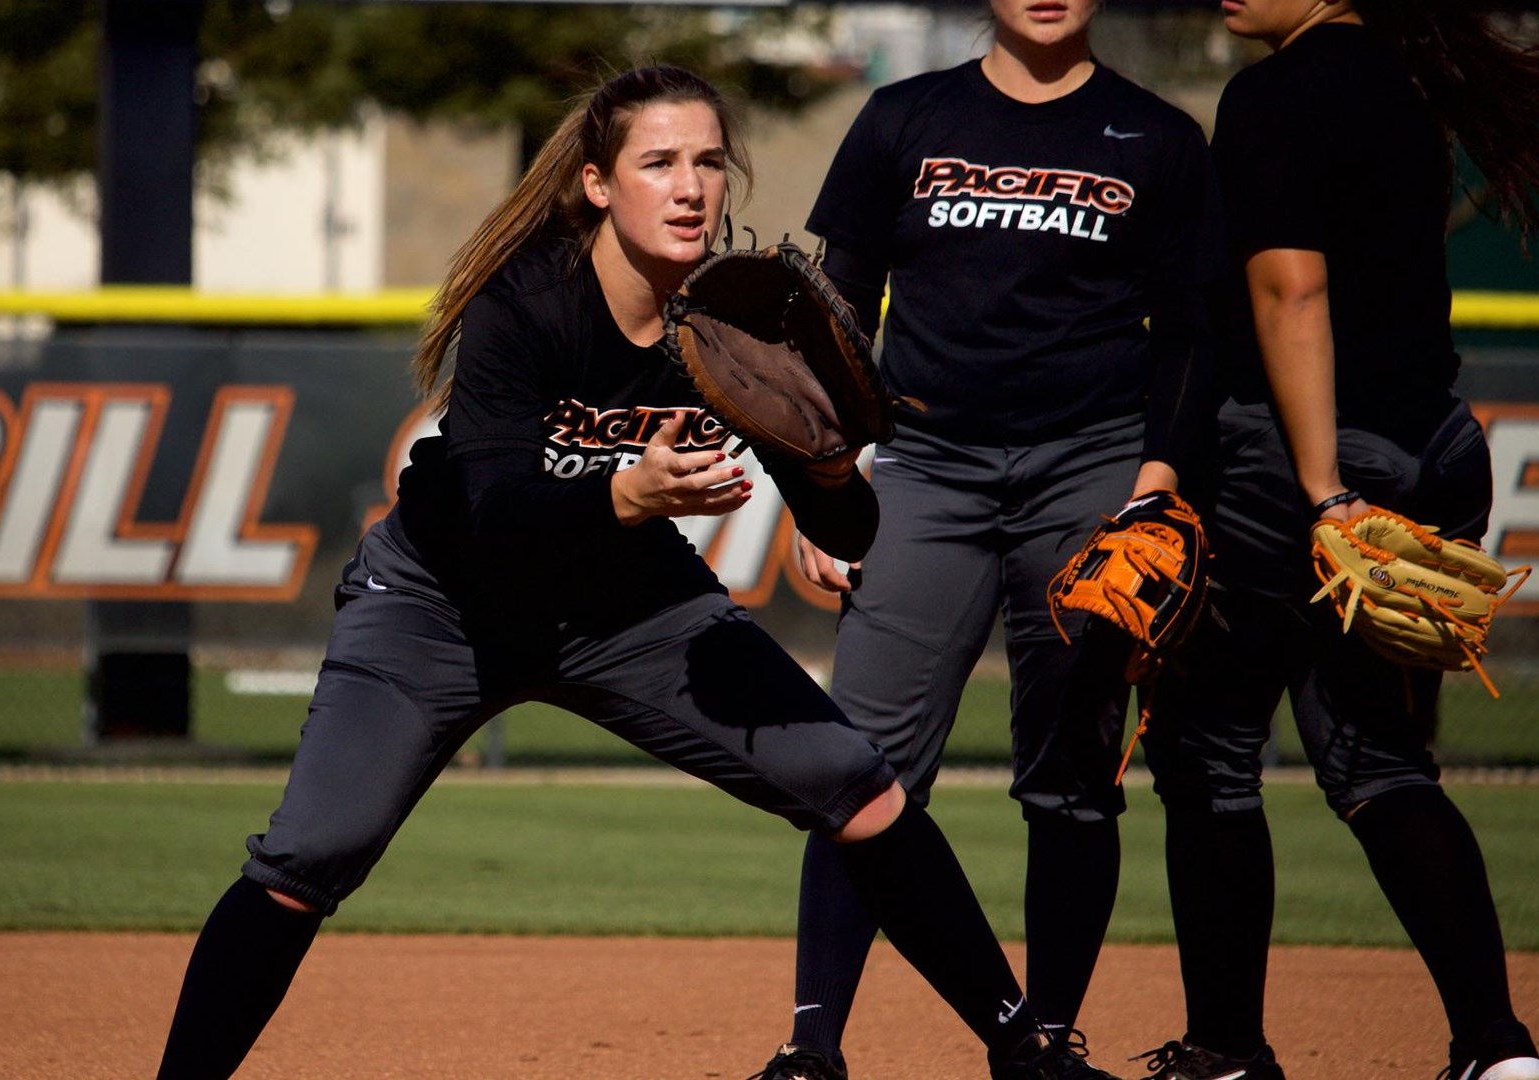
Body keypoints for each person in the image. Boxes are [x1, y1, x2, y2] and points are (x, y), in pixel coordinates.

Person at [152, 65, 1105, 1080]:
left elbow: (842, 519)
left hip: (626, 603)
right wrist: (625, 495)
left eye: (708, 162)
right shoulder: (529, 300)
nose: (690, 187)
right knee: (309, 855)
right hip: (442, 602)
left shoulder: (741, 313)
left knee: (857, 787)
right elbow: (492, 510)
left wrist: (830, 467)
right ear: (598, 184)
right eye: (658, 163)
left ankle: (1022, 1049)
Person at [746, 2, 1223, 1078]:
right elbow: (834, 306)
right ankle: (812, 1044)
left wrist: (1154, 485)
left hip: (1089, 470)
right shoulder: (902, 117)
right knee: (855, 765)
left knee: (1072, 773)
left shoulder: (1158, 138)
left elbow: (1193, 335)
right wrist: (825, 485)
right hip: (925, 465)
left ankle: (1044, 1044)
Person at [1135, 2, 1539, 1079]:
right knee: (1375, 757)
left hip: (1306, 459)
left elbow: (1292, 287)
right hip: (1432, 439)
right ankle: (1495, 1049)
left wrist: (1324, 492)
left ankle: (1225, 1050)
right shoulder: (1408, 85)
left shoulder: (1275, 91)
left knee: (1206, 747)